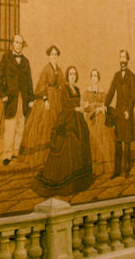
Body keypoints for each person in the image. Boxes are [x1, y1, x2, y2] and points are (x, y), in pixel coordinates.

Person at [33, 66, 93, 196]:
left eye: (74, 74)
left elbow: (78, 105)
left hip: (78, 120)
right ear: (67, 76)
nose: (72, 76)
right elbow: (64, 107)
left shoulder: (77, 89)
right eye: (70, 74)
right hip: (67, 120)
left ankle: (79, 181)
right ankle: (67, 182)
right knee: (70, 141)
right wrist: (77, 109)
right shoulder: (64, 90)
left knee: (83, 138)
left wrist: (84, 108)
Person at [22, 45, 65, 168]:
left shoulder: (59, 69)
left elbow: (62, 83)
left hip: (57, 99)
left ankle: (56, 155)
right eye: (52, 54)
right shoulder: (46, 69)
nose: (54, 56)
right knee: (45, 125)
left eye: (56, 54)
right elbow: (41, 84)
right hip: (48, 99)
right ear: (48, 56)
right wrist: (45, 99)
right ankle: (44, 156)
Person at [0, 34, 34, 165]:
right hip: (11, 98)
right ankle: (7, 154)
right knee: (10, 126)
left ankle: (15, 152)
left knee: (20, 126)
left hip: (23, 98)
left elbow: (29, 81)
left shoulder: (25, 61)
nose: (18, 45)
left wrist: (30, 98)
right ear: (12, 44)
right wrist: (3, 94)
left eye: (21, 43)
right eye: (16, 42)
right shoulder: (6, 58)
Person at [105, 49, 135, 178]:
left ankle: (127, 170)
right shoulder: (116, 75)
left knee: (127, 144)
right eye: (121, 57)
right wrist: (105, 105)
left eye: (124, 57)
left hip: (127, 114)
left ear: (128, 60)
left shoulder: (132, 76)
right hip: (118, 114)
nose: (122, 60)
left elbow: (133, 97)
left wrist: (128, 110)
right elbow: (111, 91)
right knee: (118, 143)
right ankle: (116, 171)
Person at [81, 69, 113, 177]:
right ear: (91, 78)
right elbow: (85, 107)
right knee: (92, 141)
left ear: (98, 78)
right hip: (91, 119)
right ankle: (93, 168)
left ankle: (102, 168)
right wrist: (89, 108)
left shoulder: (102, 91)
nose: (94, 78)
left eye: (96, 75)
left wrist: (100, 109)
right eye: (92, 76)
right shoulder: (87, 91)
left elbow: (105, 106)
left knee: (103, 140)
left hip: (100, 118)